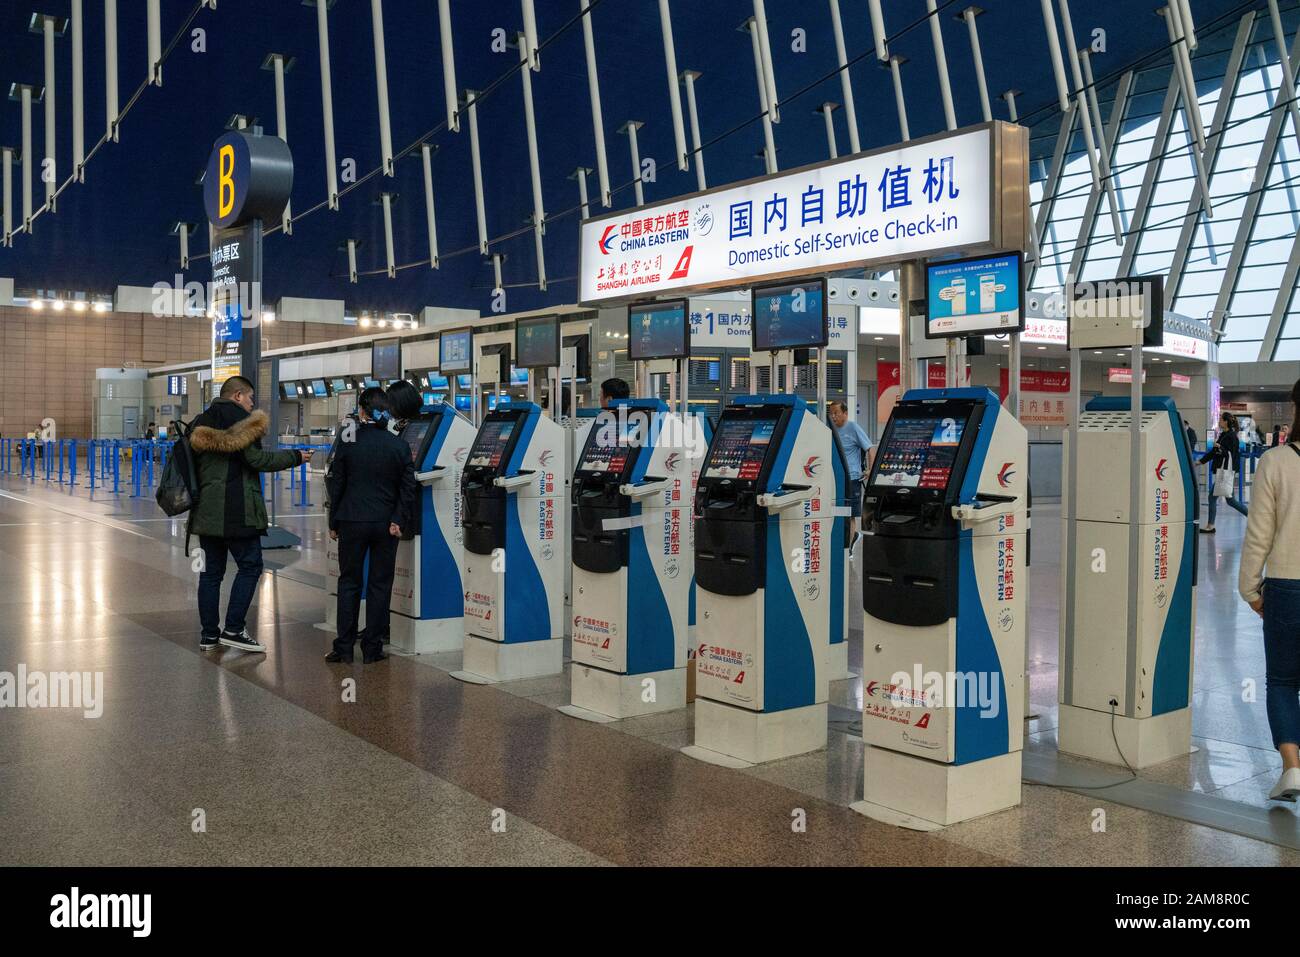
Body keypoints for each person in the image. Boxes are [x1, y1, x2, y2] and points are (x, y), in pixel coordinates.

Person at [189, 376, 308, 652]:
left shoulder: (200, 421)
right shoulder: (244, 423)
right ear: (238, 395)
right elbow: (257, 460)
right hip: (238, 509)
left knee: (210, 574)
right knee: (251, 565)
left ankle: (209, 634)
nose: (253, 403)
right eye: (251, 397)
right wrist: (295, 457)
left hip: (206, 511)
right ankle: (233, 628)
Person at [1239, 378, 1300, 802]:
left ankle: (1293, 769)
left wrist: (1250, 589)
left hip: (1286, 587)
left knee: (1282, 680)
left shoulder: (1276, 461)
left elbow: (1259, 533)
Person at [324, 387, 416, 664]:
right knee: (379, 585)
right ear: (386, 413)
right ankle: (373, 649)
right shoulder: (398, 445)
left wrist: (334, 520)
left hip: (352, 521)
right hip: (385, 525)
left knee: (350, 583)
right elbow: (407, 487)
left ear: (362, 412)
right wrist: (398, 519)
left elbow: (336, 482)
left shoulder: (347, 442)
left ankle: (343, 648)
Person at [828, 400, 873, 547]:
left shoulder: (853, 427)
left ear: (845, 413)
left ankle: (849, 547)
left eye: (836, 413)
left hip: (852, 478)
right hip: (836, 478)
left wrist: (870, 470)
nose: (833, 417)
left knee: (850, 514)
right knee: (837, 513)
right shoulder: (831, 429)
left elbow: (869, 448)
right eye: (831, 413)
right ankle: (846, 540)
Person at [1198, 412, 1249, 534]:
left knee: (1216, 498)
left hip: (1226, 471)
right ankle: (1211, 525)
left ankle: (1211, 526)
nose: (1219, 421)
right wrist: (1201, 461)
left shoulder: (1231, 436)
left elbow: (1231, 454)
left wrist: (1220, 448)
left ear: (1226, 421)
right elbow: (1215, 452)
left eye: (1221, 419)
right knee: (1229, 500)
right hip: (1223, 471)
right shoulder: (1224, 435)